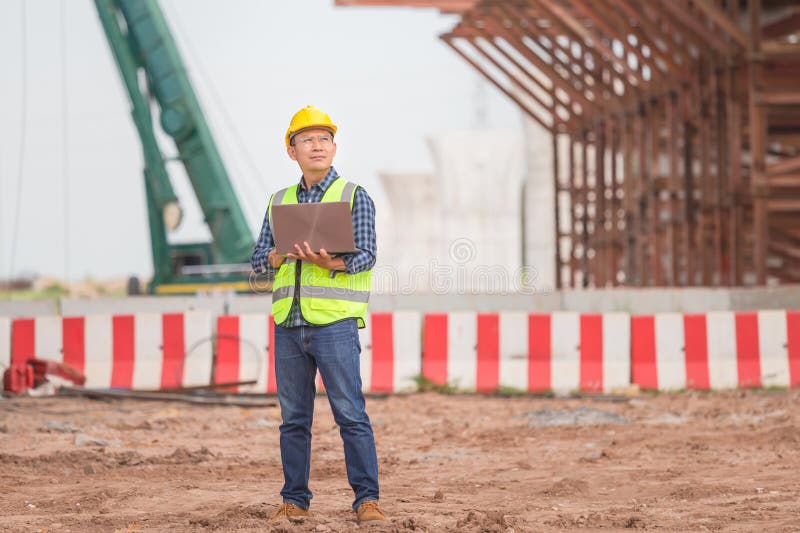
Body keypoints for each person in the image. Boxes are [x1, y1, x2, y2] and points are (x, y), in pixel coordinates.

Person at [251, 105, 387, 525]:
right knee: (293, 420)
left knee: (350, 414)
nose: (317, 146)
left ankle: (367, 501)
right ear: (291, 151)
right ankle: (294, 501)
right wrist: (276, 255)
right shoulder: (279, 201)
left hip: (333, 324)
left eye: (324, 139)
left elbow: (367, 256)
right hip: (289, 325)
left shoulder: (352, 196)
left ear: (333, 147)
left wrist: (334, 265)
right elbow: (257, 262)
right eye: (307, 139)